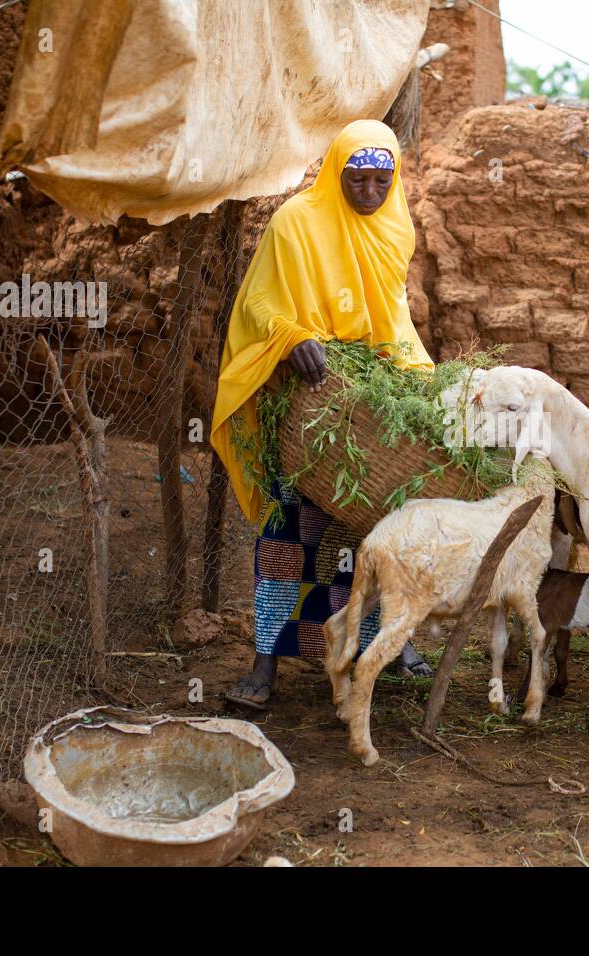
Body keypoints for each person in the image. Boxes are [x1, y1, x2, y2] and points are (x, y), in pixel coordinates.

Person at [210, 119, 435, 709]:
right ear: (337, 172)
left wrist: (420, 384)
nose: (369, 192)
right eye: (357, 179)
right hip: (304, 406)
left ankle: (387, 646)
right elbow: (257, 301)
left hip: (364, 410)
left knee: (374, 532)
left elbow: (393, 318)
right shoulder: (295, 224)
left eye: (381, 180)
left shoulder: (393, 229)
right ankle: (265, 668)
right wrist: (291, 336)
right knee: (289, 532)